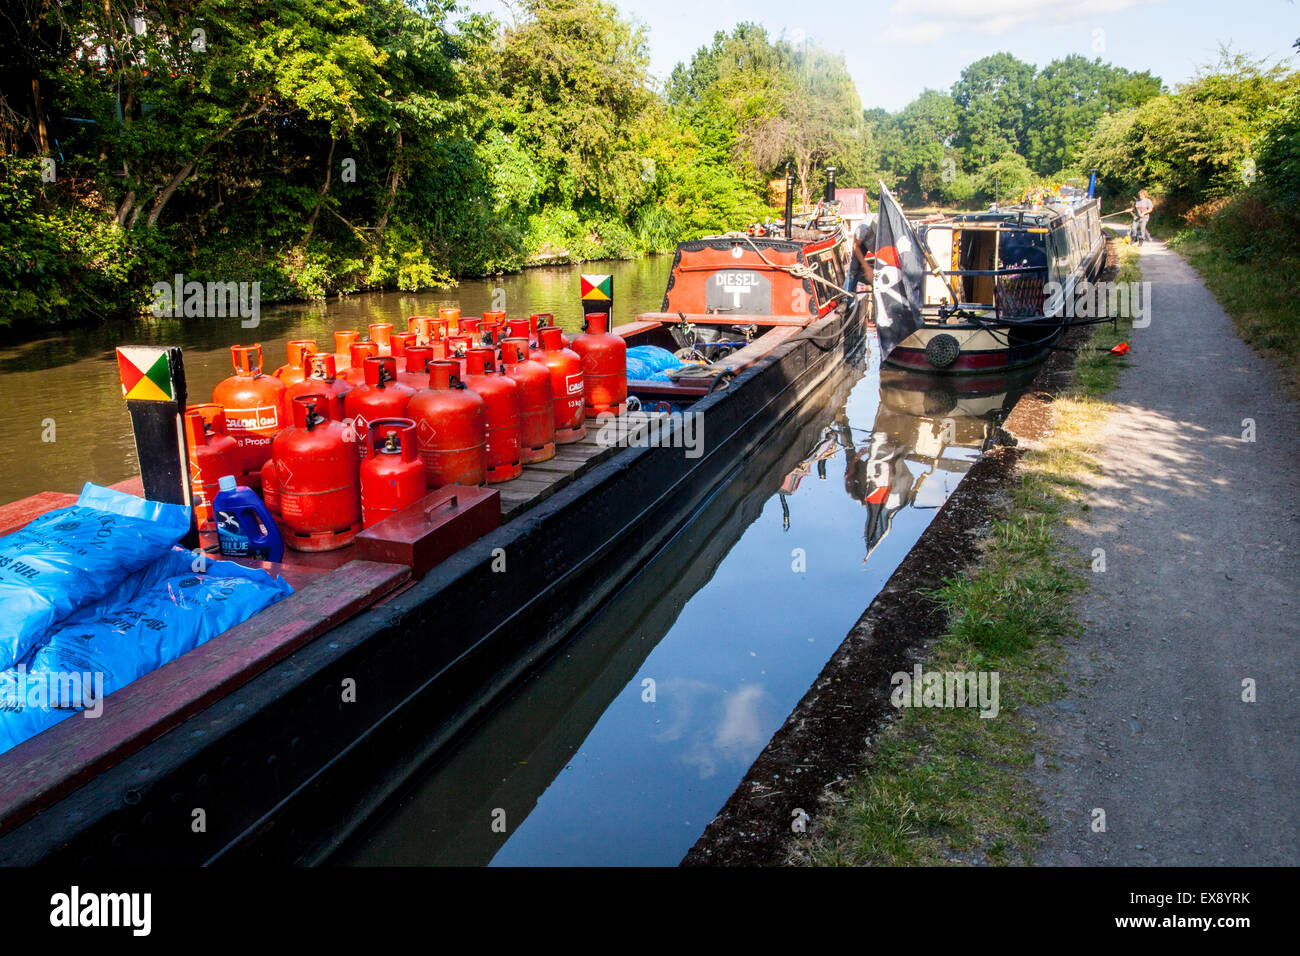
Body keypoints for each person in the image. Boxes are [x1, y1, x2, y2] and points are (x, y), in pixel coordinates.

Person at [844, 218, 875, 295]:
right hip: (862, 243)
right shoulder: (863, 228)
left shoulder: (889, 227)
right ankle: (847, 295)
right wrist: (866, 267)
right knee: (854, 268)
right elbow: (855, 246)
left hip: (879, 246)